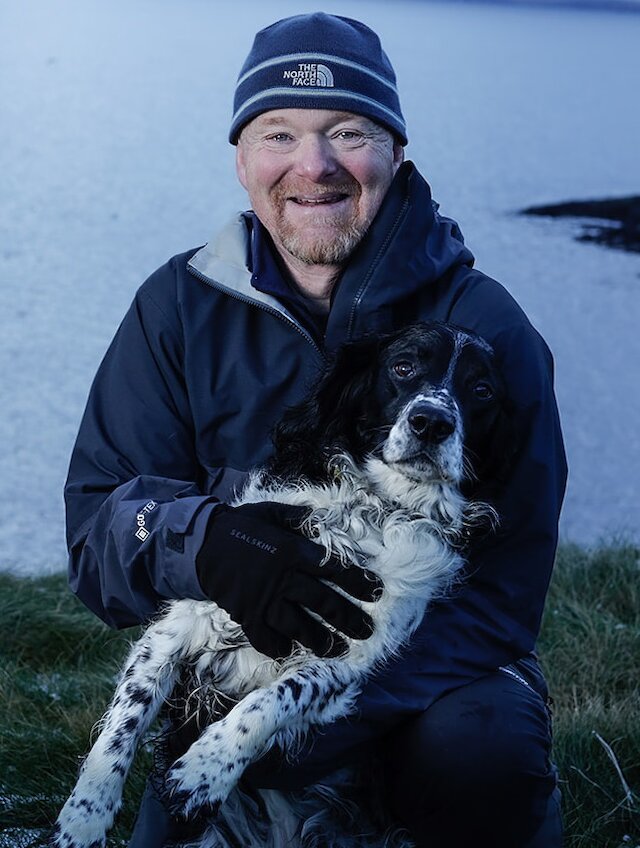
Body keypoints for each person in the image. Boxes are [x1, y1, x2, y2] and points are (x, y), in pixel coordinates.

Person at [64, 12, 567, 848]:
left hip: (424, 678)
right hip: (231, 666)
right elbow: (96, 535)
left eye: (348, 132)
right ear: (241, 158)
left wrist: (317, 706)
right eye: (279, 134)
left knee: (481, 750)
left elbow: (505, 597)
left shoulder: (490, 328)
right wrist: (205, 542)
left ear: (395, 151)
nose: (314, 165)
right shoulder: (175, 306)